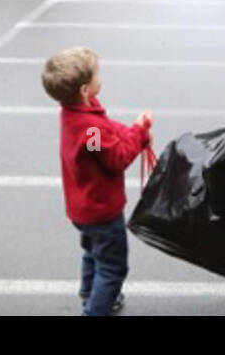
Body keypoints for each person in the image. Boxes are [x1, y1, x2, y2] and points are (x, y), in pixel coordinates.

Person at [42, 46, 152, 316]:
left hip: (81, 209)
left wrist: (127, 131)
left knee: (93, 252)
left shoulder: (75, 114)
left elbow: (105, 132)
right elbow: (116, 158)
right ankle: (96, 308)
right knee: (113, 267)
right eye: (96, 75)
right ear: (84, 90)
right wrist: (138, 132)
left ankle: (90, 294)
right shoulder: (91, 130)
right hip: (101, 211)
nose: (100, 78)